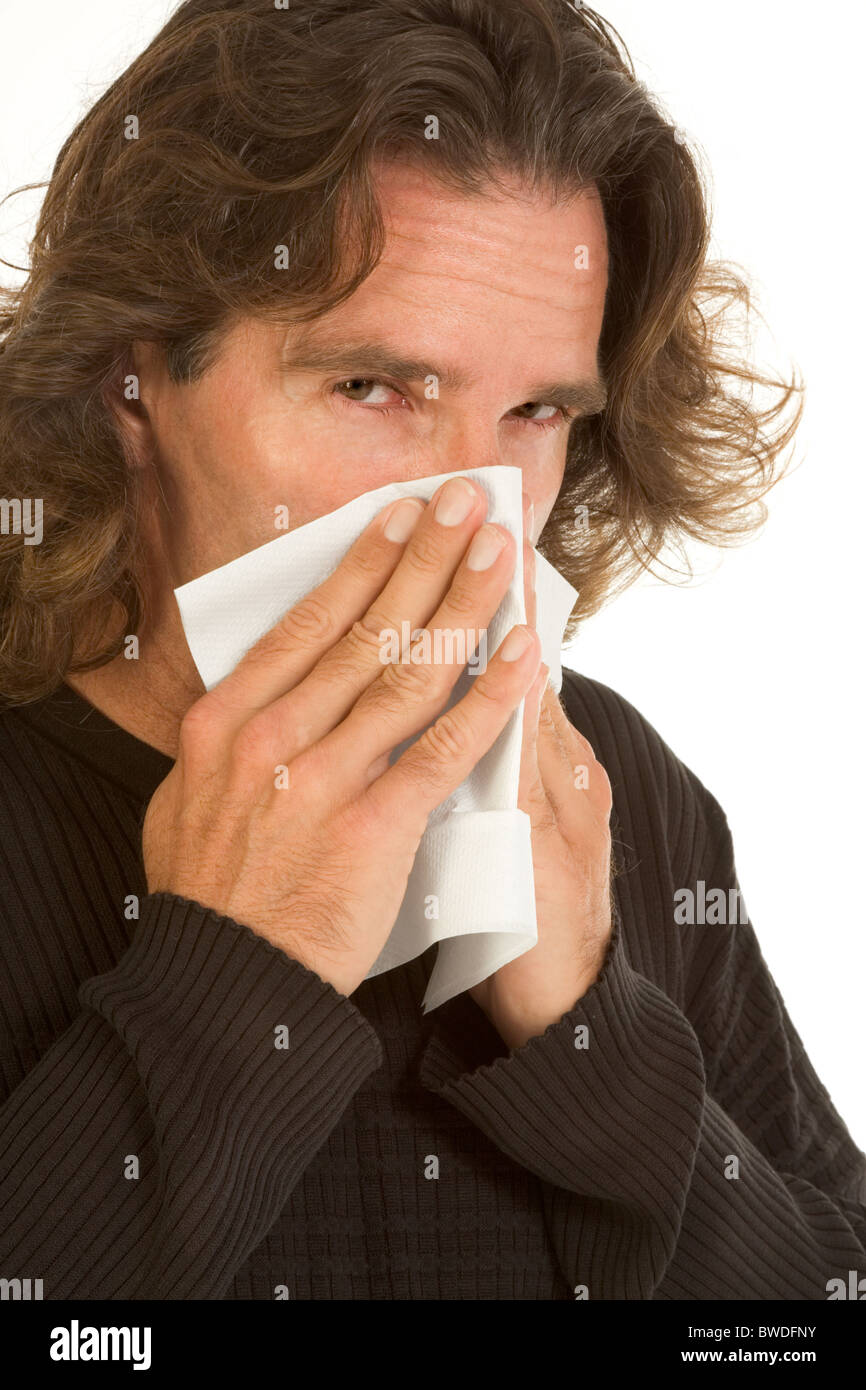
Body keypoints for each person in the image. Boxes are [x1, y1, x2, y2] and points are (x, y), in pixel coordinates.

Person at [0, 0, 863, 1301]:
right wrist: (234, 975)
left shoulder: (609, 782)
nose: (477, 509)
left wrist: (592, 1036)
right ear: (133, 389)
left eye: (532, 410)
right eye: (374, 388)